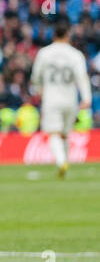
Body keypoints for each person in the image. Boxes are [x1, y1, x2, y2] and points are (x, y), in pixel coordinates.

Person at [29, 18, 92, 178]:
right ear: (68, 35)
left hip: (51, 97)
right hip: (69, 98)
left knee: (54, 133)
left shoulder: (44, 53)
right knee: (64, 133)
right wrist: (86, 97)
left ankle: (61, 161)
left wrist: (37, 90)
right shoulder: (75, 54)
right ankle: (65, 162)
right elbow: (82, 77)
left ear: (53, 35)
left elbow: (36, 75)